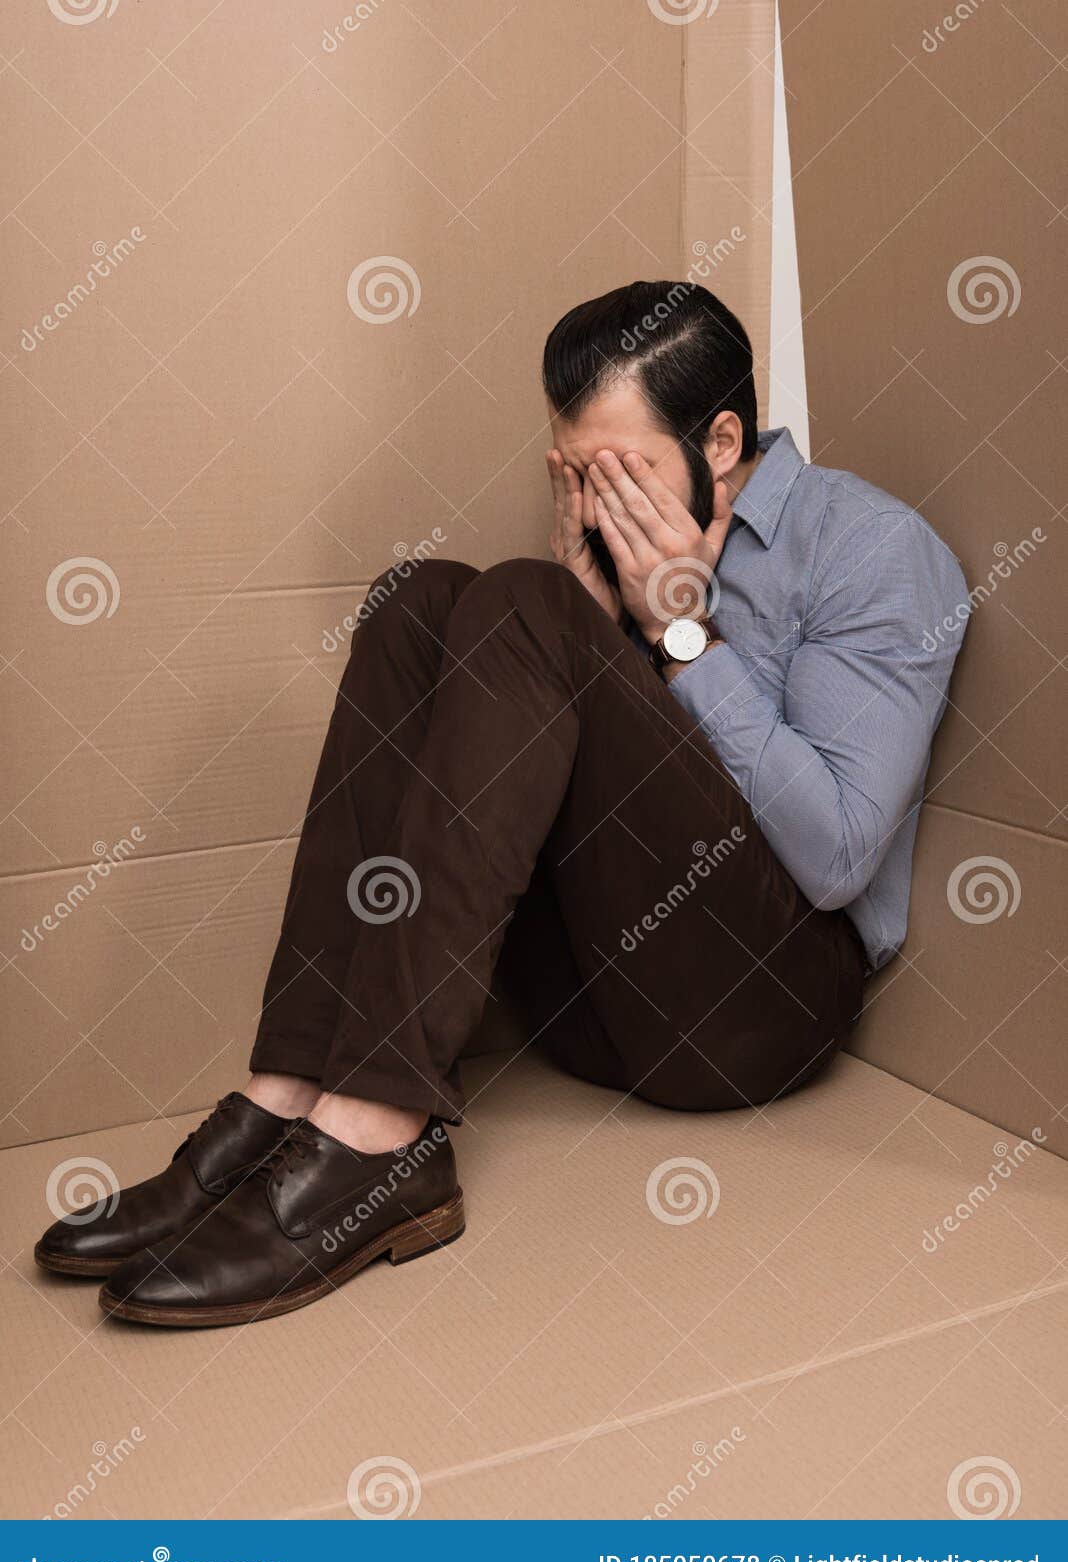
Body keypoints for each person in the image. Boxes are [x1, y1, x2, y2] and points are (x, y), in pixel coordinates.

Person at [35, 281, 969, 1327]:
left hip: (757, 1016)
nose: (597, 503)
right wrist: (591, 616)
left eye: (621, 474)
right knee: (422, 599)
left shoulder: (872, 550)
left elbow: (840, 853)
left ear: (718, 442)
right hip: (593, 999)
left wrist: (679, 637)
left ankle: (380, 1142)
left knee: (523, 601)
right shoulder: (628, 532)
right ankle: (293, 1093)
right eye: (574, 474)